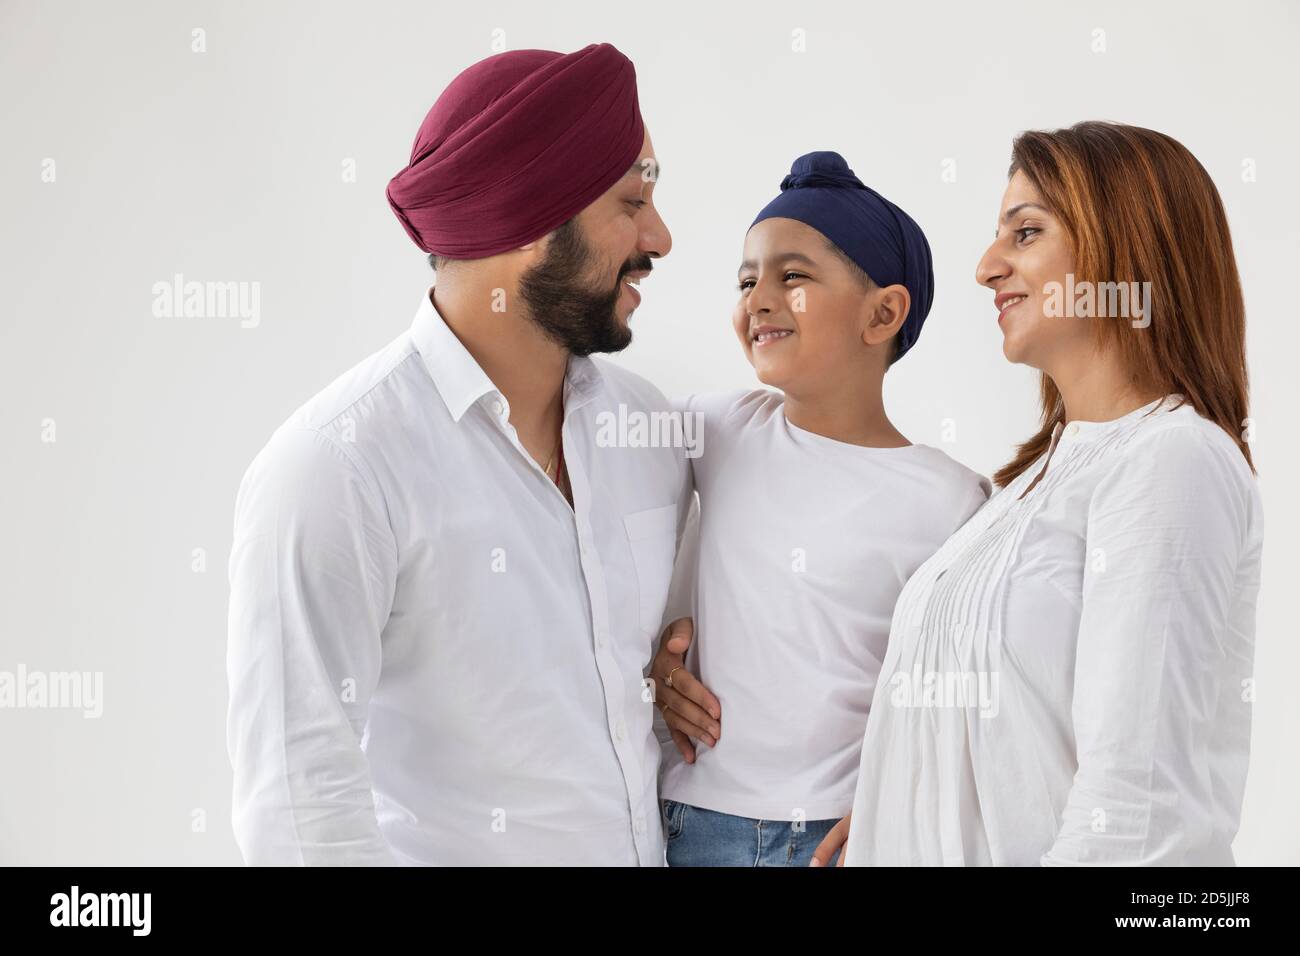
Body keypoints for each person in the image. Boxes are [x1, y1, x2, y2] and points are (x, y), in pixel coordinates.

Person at [226, 42, 691, 865]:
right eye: (630, 202)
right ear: (526, 225)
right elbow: (299, 804)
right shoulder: (338, 467)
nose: (660, 234)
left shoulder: (648, 430)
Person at [818, 122, 1263, 866]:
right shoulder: (1030, 485)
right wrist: (895, 801)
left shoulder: (1171, 460)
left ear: (1126, 249)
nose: (988, 267)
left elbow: (1137, 810)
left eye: (1026, 233)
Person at [647, 152, 989, 867]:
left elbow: (962, 696)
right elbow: (581, 504)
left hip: (843, 838)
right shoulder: (713, 429)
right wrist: (648, 668)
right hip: (694, 826)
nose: (758, 299)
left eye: (792, 276)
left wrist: (896, 806)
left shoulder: (952, 502)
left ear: (884, 312)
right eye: (747, 280)